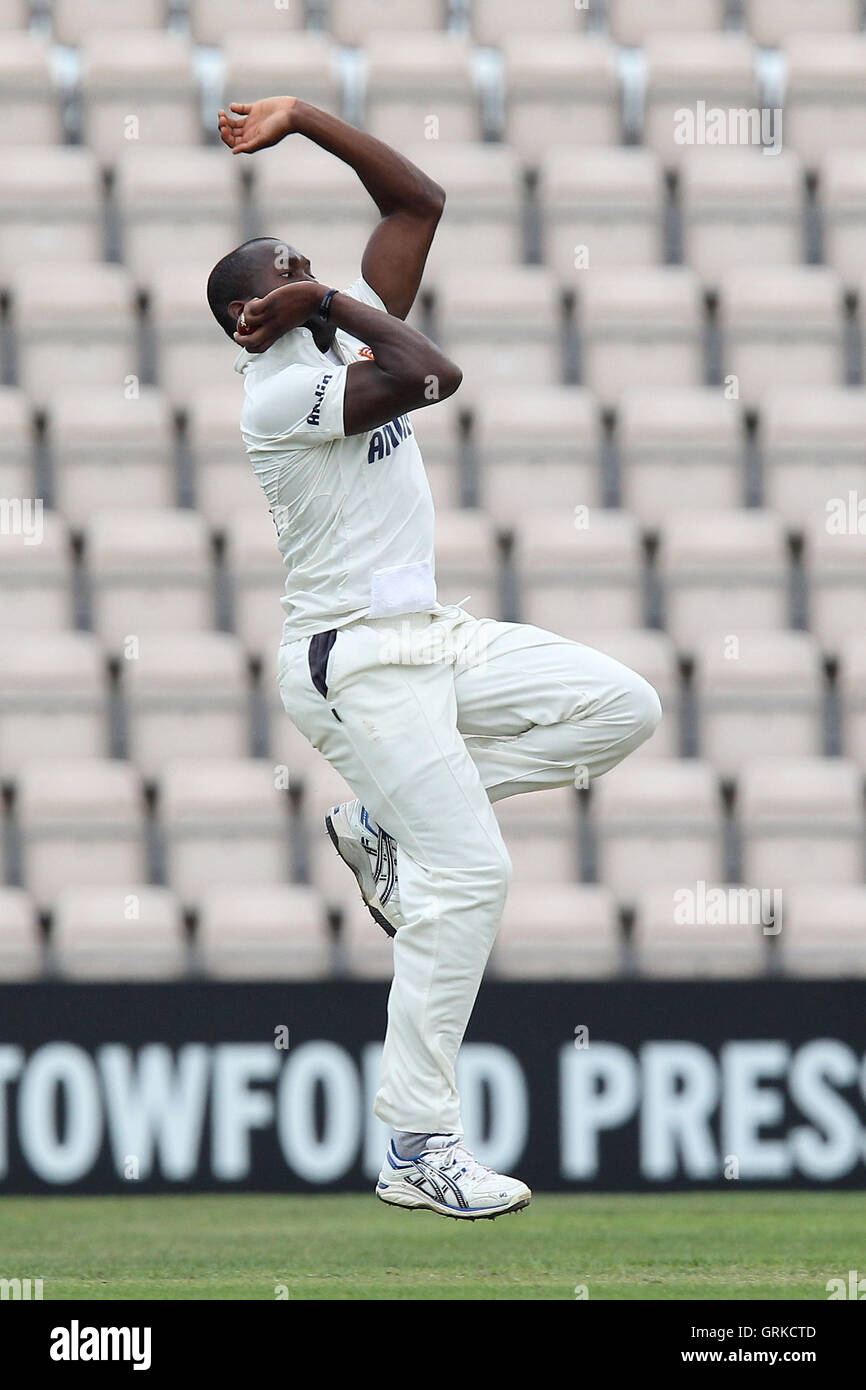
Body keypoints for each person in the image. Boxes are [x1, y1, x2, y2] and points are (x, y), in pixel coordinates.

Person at [207, 96, 662, 1220]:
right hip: (351, 661)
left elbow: (419, 201)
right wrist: (323, 302)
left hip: (429, 638)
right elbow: (433, 375)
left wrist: (307, 117)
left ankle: (380, 827)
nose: (305, 274)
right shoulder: (282, 393)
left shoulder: (338, 335)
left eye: (306, 264)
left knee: (622, 705)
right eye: (281, 274)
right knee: (471, 880)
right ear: (244, 322)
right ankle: (417, 1145)